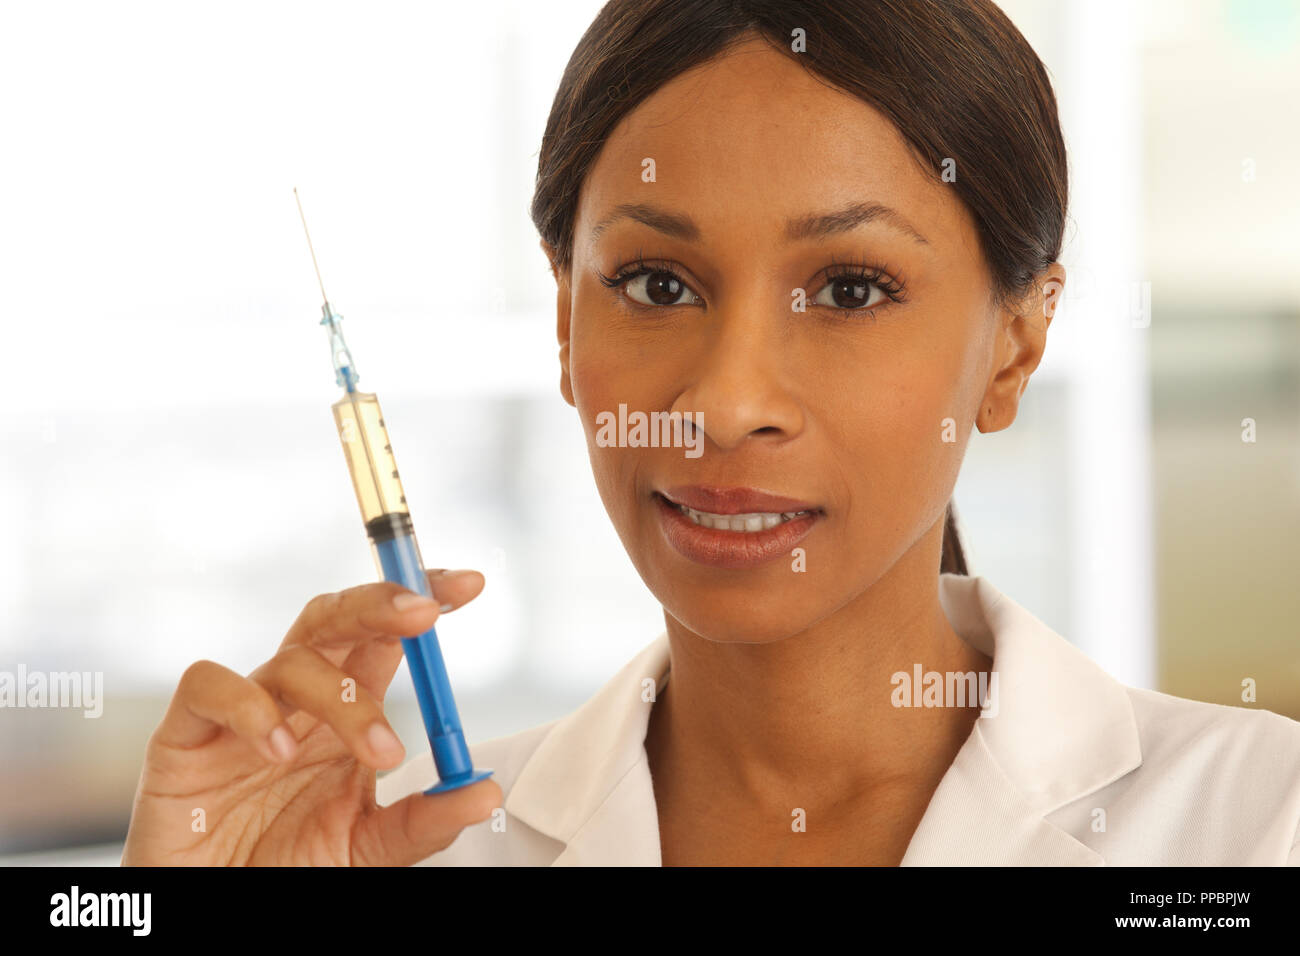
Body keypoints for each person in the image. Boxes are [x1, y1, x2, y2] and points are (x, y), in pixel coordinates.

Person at [122, 0, 1300, 866]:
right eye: (654, 282)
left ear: (1015, 345)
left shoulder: (1250, 826)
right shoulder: (407, 846)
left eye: (846, 288)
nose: (726, 404)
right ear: (564, 320)